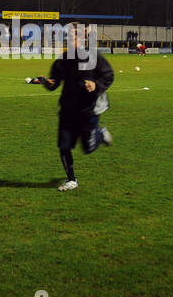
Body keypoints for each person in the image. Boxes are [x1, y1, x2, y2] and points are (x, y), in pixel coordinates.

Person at [28, 24, 115, 192]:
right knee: (64, 145)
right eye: (66, 36)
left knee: (88, 149)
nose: (68, 39)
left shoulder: (93, 57)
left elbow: (109, 75)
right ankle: (72, 180)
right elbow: (54, 83)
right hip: (68, 109)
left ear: (82, 38)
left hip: (88, 110)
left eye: (72, 36)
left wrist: (95, 85)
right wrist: (48, 82)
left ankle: (100, 133)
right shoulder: (62, 60)